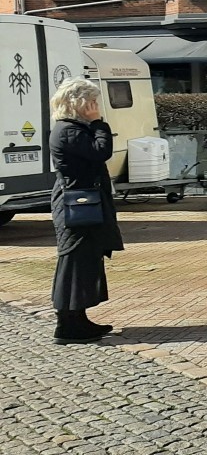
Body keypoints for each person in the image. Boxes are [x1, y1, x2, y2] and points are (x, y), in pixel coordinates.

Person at [48, 79, 123, 345]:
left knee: (83, 260)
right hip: (77, 205)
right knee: (74, 261)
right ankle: (67, 324)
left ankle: (78, 318)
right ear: (81, 104)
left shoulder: (70, 129)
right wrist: (99, 123)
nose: (96, 107)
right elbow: (101, 151)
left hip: (80, 203)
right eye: (93, 102)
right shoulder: (70, 130)